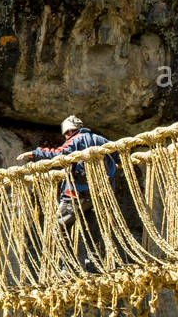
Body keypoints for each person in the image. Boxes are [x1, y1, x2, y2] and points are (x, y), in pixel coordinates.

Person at [16, 115, 116, 268]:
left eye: (65, 134)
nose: (65, 137)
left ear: (69, 131)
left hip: (76, 194)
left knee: (58, 228)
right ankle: (95, 267)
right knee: (93, 232)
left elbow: (60, 154)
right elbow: (117, 154)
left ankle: (68, 268)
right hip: (100, 194)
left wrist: (35, 153)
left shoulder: (75, 140)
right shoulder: (100, 140)